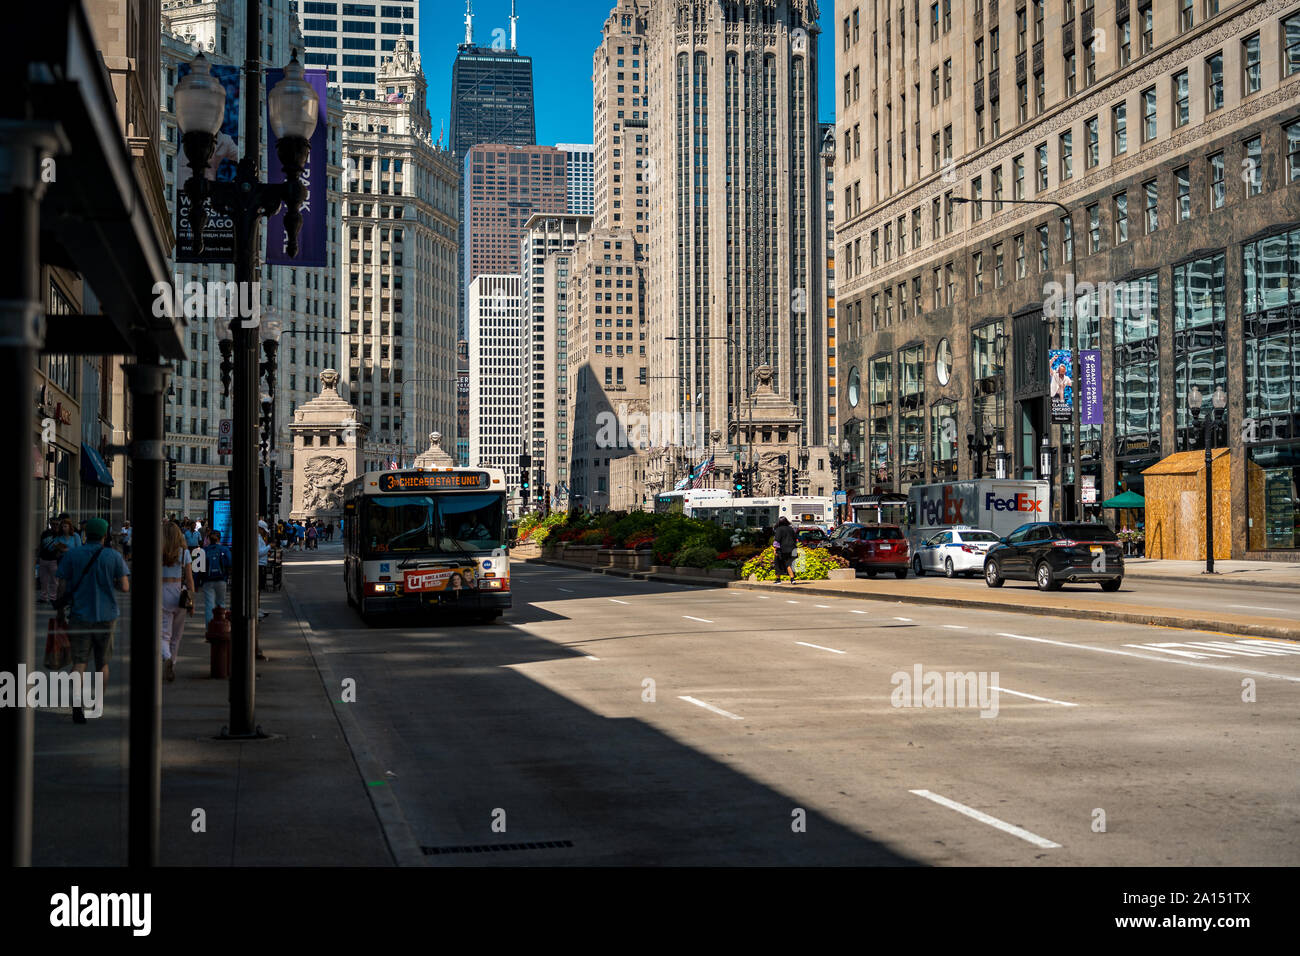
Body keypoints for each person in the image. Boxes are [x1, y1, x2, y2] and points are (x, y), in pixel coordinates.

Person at [55, 517, 130, 723]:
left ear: (86, 534)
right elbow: (125, 587)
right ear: (105, 535)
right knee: (102, 664)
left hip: (79, 615)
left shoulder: (73, 555)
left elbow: (62, 586)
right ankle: (97, 703)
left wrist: (61, 612)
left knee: (79, 663)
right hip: (106, 617)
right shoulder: (113, 556)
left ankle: (77, 704)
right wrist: (110, 582)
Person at [160, 520, 195, 682]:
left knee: (163, 634)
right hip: (179, 593)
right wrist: (192, 602)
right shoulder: (184, 553)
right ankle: (172, 663)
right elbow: (189, 580)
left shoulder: (158, 551)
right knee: (176, 635)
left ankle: (165, 656)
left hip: (161, 592)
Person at [200, 529, 233, 627]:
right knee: (221, 603)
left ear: (209, 539)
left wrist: (197, 582)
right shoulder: (224, 549)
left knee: (209, 604)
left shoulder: (204, 551)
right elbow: (230, 563)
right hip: (221, 579)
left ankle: (209, 627)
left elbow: (199, 567)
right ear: (220, 538)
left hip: (207, 580)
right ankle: (221, 625)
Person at [37, 517, 62, 604]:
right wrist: (38, 556)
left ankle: (53, 597)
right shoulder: (45, 533)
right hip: (43, 559)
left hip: (54, 560)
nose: (55, 526)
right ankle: (44, 597)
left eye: (57, 524)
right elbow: (41, 545)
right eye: (53, 524)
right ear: (50, 524)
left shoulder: (60, 534)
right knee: (43, 580)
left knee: (54, 581)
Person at [773, 516, 798, 585]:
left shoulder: (779, 529)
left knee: (777, 563)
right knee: (789, 564)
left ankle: (778, 580)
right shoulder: (791, 529)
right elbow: (795, 539)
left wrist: (775, 550)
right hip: (793, 549)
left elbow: (777, 541)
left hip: (783, 550)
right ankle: (792, 579)